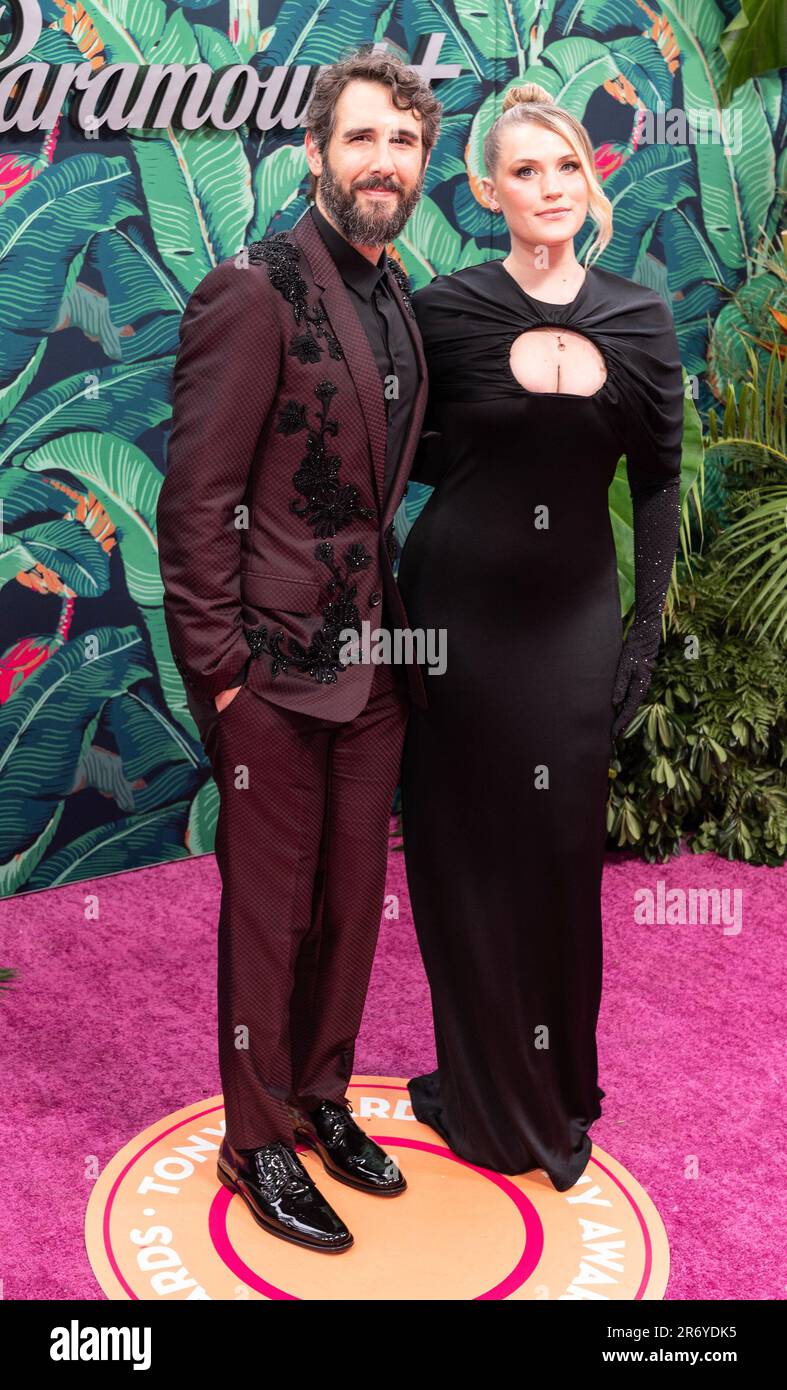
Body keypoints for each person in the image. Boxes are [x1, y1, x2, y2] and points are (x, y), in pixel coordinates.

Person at [156, 50, 442, 1252]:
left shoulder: (396, 299)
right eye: (364, 138)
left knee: (349, 903)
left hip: (372, 670)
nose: (385, 163)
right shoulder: (251, 289)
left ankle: (321, 1096)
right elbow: (194, 504)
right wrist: (222, 677)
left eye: (407, 145)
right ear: (317, 151)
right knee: (266, 917)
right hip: (266, 673)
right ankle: (256, 1138)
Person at [397, 83, 685, 1191]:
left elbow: (656, 485)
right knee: (458, 858)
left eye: (565, 164)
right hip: (454, 626)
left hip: (571, 629)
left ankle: (554, 1088)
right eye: (524, 170)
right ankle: (477, 1092)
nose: (550, 186)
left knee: (558, 858)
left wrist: (643, 634)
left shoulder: (638, 319)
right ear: (485, 191)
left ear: (590, 177)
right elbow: (408, 461)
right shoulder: (448, 310)